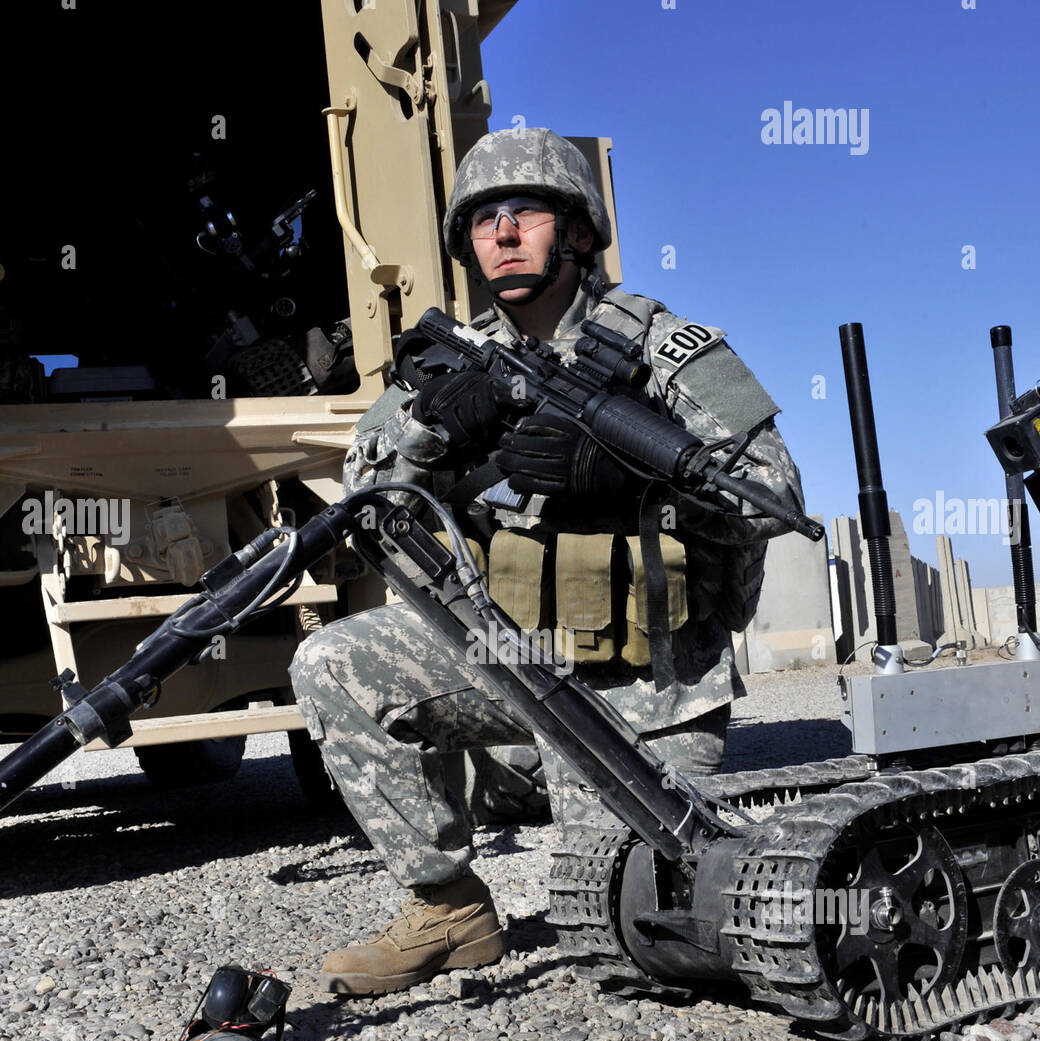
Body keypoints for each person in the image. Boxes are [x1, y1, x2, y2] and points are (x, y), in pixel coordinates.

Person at [290, 127, 804, 996]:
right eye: (483, 219)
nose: (502, 232)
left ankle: (562, 807)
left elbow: (774, 492)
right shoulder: (454, 364)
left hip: (646, 681)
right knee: (333, 663)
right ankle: (448, 909)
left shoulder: (659, 348)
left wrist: (627, 467)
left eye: (527, 211)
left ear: (577, 233)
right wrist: (433, 436)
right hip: (512, 656)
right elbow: (362, 502)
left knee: (626, 932)